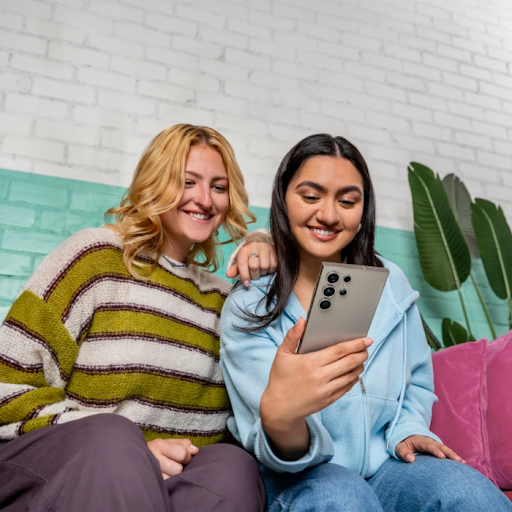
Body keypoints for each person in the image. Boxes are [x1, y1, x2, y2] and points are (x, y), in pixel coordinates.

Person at [220, 133, 512, 511]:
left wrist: (407, 429)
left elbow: (418, 381)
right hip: (297, 474)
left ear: (363, 210)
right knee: (343, 498)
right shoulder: (251, 303)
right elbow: (273, 443)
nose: (328, 214)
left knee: (468, 492)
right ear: (283, 200)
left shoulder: (389, 283)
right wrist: (283, 415)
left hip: (387, 467)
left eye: (347, 201)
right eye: (310, 197)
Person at [0, 124, 274, 512]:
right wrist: (137, 453)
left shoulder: (223, 299)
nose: (204, 199)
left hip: (159, 486)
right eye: (187, 181)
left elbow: (263, 391)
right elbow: (5, 387)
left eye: (218, 186)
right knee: (113, 437)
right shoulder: (95, 257)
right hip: (58, 465)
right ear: (156, 182)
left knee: (232, 467)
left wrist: (266, 244)